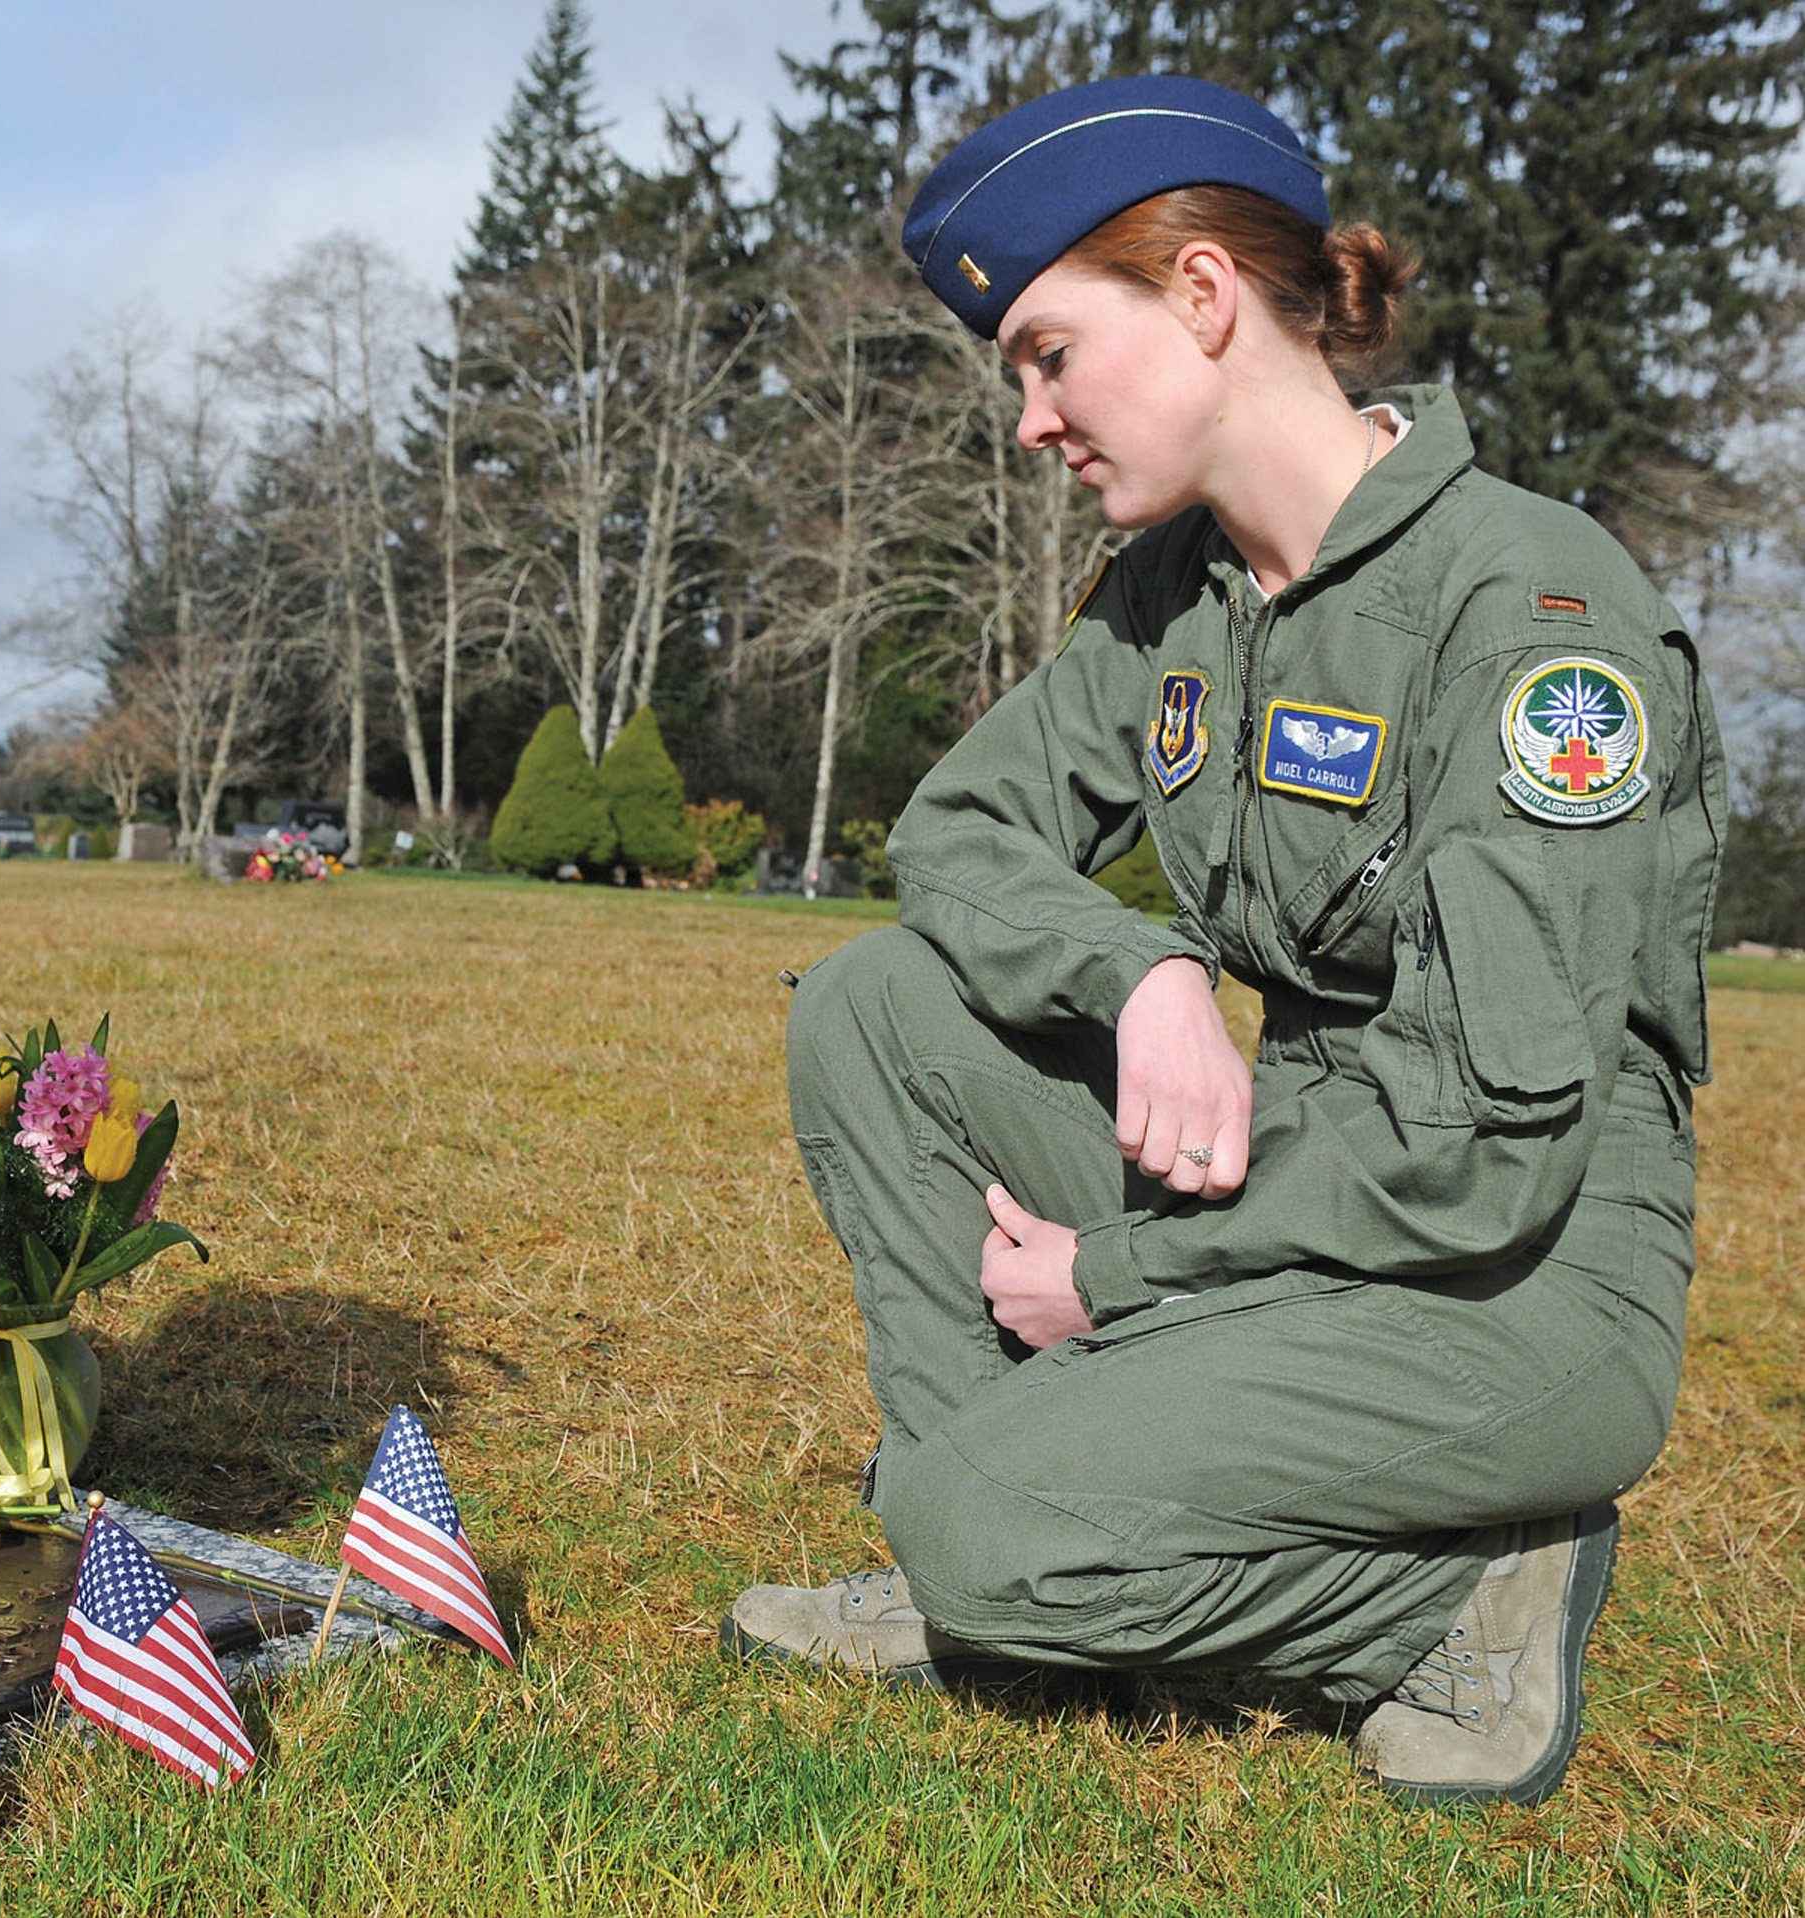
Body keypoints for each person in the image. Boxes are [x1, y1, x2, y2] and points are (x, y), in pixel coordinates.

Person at [722, 76, 1723, 1809]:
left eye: (1048, 353)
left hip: (1515, 1274)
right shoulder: (1180, 598)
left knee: (977, 1527)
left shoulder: (1531, 616)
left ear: (1201, 296)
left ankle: (1448, 1598)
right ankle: (997, 1539)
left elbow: (1487, 1158)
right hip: (1306, 1178)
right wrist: (1143, 973)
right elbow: (960, 829)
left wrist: (1109, 1280)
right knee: (876, 1011)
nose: (1030, 421)